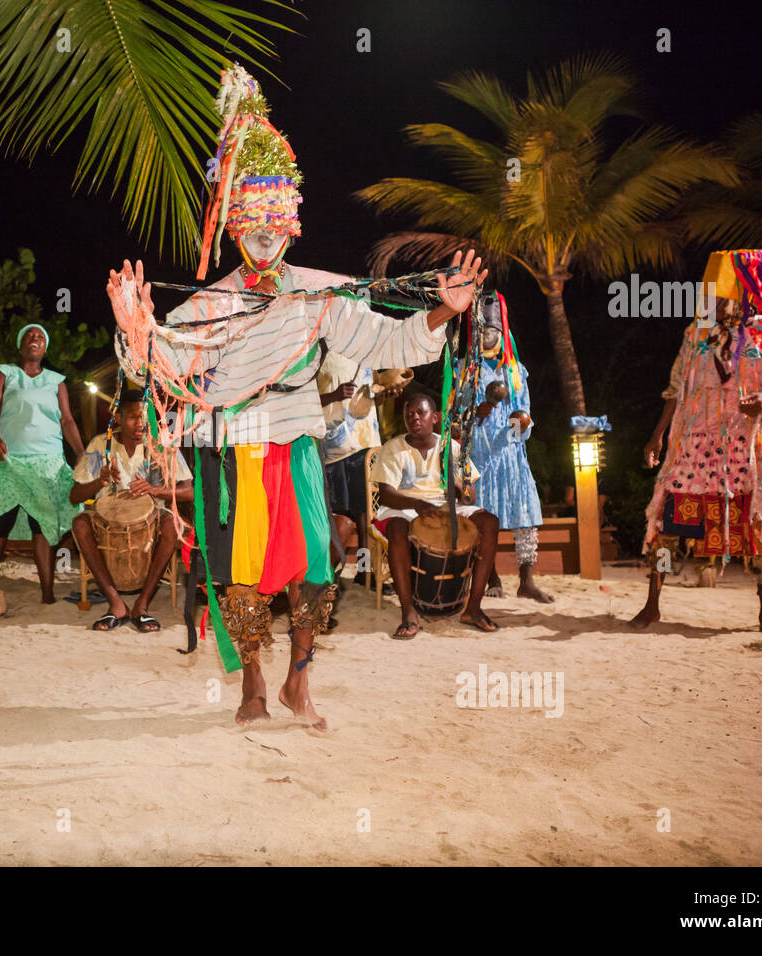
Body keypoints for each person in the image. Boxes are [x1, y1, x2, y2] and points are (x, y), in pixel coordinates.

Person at [106, 66, 486, 729]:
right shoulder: (208, 303)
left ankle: (298, 684)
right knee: (241, 579)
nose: (263, 233)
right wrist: (138, 331)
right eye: (250, 221)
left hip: (297, 449)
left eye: (274, 219)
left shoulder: (318, 293)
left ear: (292, 221)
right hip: (231, 455)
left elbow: (388, 345)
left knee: (318, 568)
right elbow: (169, 369)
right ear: (233, 225)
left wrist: (439, 315)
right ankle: (253, 687)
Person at [632, 250, 762, 636]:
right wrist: (657, 436)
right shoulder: (695, 334)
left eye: (725, 295)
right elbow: (675, 389)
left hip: (748, 447)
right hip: (695, 446)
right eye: (713, 296)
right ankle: (652, 605)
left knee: (759, 523)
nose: (717, 303)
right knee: (668, 525)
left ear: (747, 293)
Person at [372, 391, 500, 637]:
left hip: (444, 505)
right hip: (404, 506)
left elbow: (470, 495)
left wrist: (459, 491)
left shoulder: (450, 447)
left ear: (435, 417)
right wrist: (417, 503)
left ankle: (473, 608)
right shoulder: (393, 448)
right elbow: (386, 495)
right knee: (397, 528)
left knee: (489, 522)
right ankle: (408, 612)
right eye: (409, 414)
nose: (414, 418)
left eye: (421, 412)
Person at [0, 323, 84, 604]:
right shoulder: (4, 373)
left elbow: (67, 420)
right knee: (0, 523)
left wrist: (81, 453)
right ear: (20, 345)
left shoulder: (56, 380)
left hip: (47, 462)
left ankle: (47, 592)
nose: (35, 339)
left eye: (40, 337)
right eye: (29, 336)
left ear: (45, 348)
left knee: (42, 524)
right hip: (9, 460)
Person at [69, 389, 194, 631]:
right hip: (106, 517)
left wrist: (155, 491)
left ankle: (142, 604)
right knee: (80, 523)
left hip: (153, 516)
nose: (140, 423)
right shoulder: (100, 445)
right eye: (132, 417)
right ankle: (115, 603)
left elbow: (189, 491)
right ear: (117, 417)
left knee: (172, 524)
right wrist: (100, 481)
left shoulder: (161, 443)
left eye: (145, 416)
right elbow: (74, 495)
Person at [469, 293, 553, 603]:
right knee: (485, 517)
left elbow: (525, 410)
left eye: (493, 331)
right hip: (480, 454)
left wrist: (521, 423)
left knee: (525, 513)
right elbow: (455, 414)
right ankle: (491, 577)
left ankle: (526, 581)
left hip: (511, 454)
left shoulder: (516, 370)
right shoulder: (467, 368)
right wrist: (476, 415)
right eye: (484, 331)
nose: (488, 336)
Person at [317, 351, 398, 594]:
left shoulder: (366, 354)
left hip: (366, 446)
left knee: (366, 519)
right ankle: (326, 574)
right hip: (333, 448)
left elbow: (370, 403)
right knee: (335, 519)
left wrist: (384, 396)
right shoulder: (320, 353)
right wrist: (333, 395)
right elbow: (304, 400)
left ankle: (364, 572)